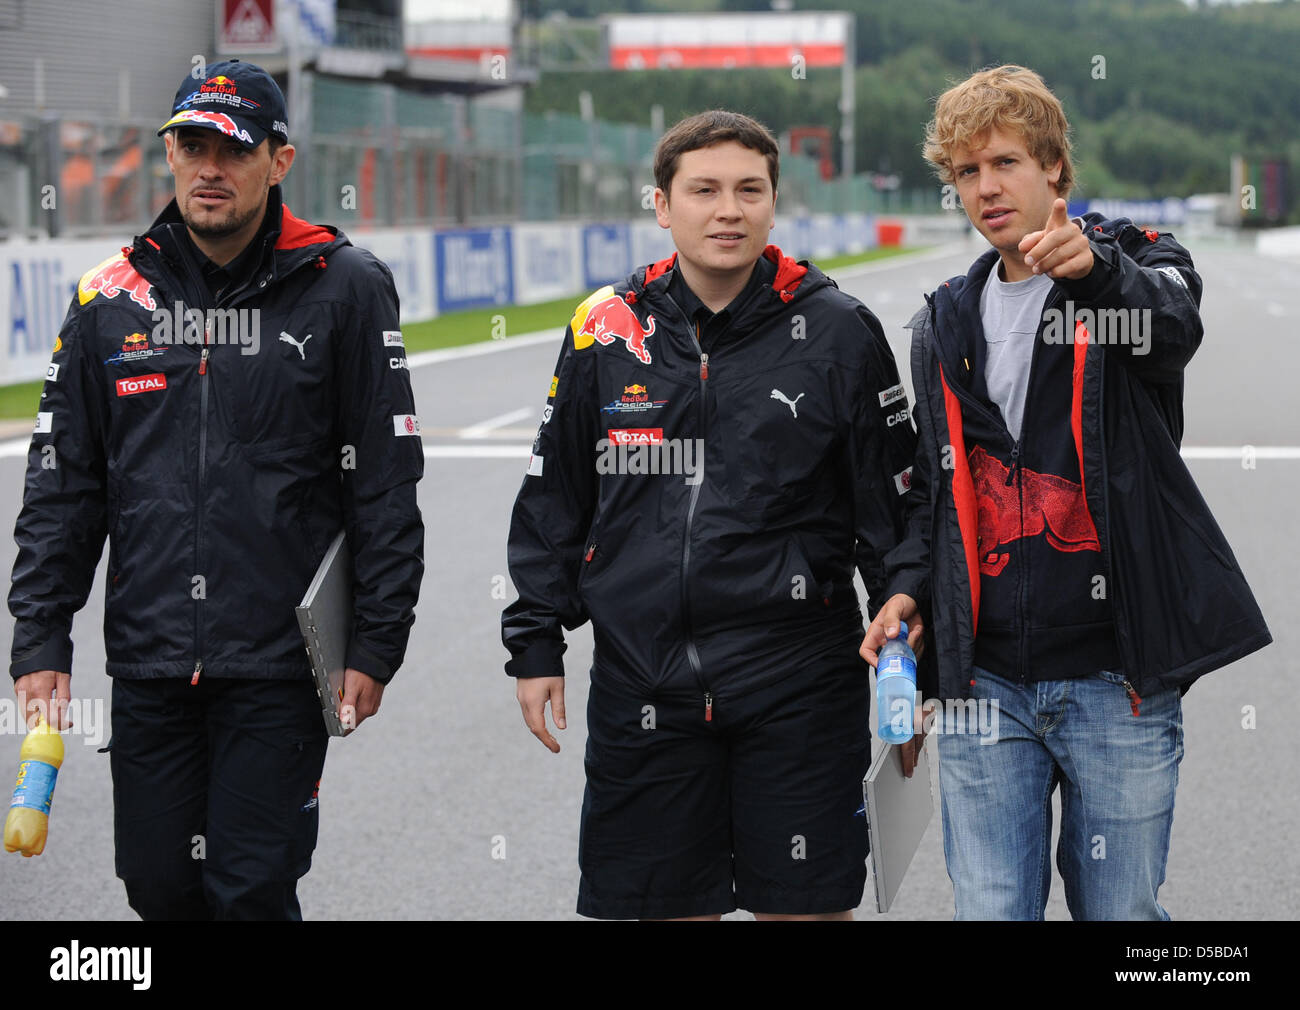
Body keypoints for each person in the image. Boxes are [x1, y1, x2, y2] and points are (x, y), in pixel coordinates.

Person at [8, 59, 425, 920]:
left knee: (251, 890)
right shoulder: (108, 298)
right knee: (158, 888)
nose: (208, 168)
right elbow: (62, 485)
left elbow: (385, 480)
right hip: (152, 659)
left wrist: (377, 641)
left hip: (278, 663)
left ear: (279, 161)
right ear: (168, 157)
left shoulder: (344, 285)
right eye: (190, 146)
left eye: (232, 150)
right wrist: (40, 635)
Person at [861, 64, 1271, 920]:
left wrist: (1095, 274)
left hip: (1115, 674)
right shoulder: (945, 317)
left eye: (1004, 162)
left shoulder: (1138, 261)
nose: (985, 187)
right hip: (985, 682)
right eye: (965, 173)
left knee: (1122, 918)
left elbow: (1173, 333)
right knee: (990, 912)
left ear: (1053, 168)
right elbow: (940, 491)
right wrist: (905, 588)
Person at [503, 110, 926, 920]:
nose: (727, 210)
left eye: (748, 190)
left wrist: (912, 667)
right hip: (643, 686)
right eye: (703, 190)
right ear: (662, 205)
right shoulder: (605, 327)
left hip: (800, 687)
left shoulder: (838, 329)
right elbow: (555, 495)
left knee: (805, 909)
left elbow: (896, 510)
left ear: (774, 205)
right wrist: (533, 642)